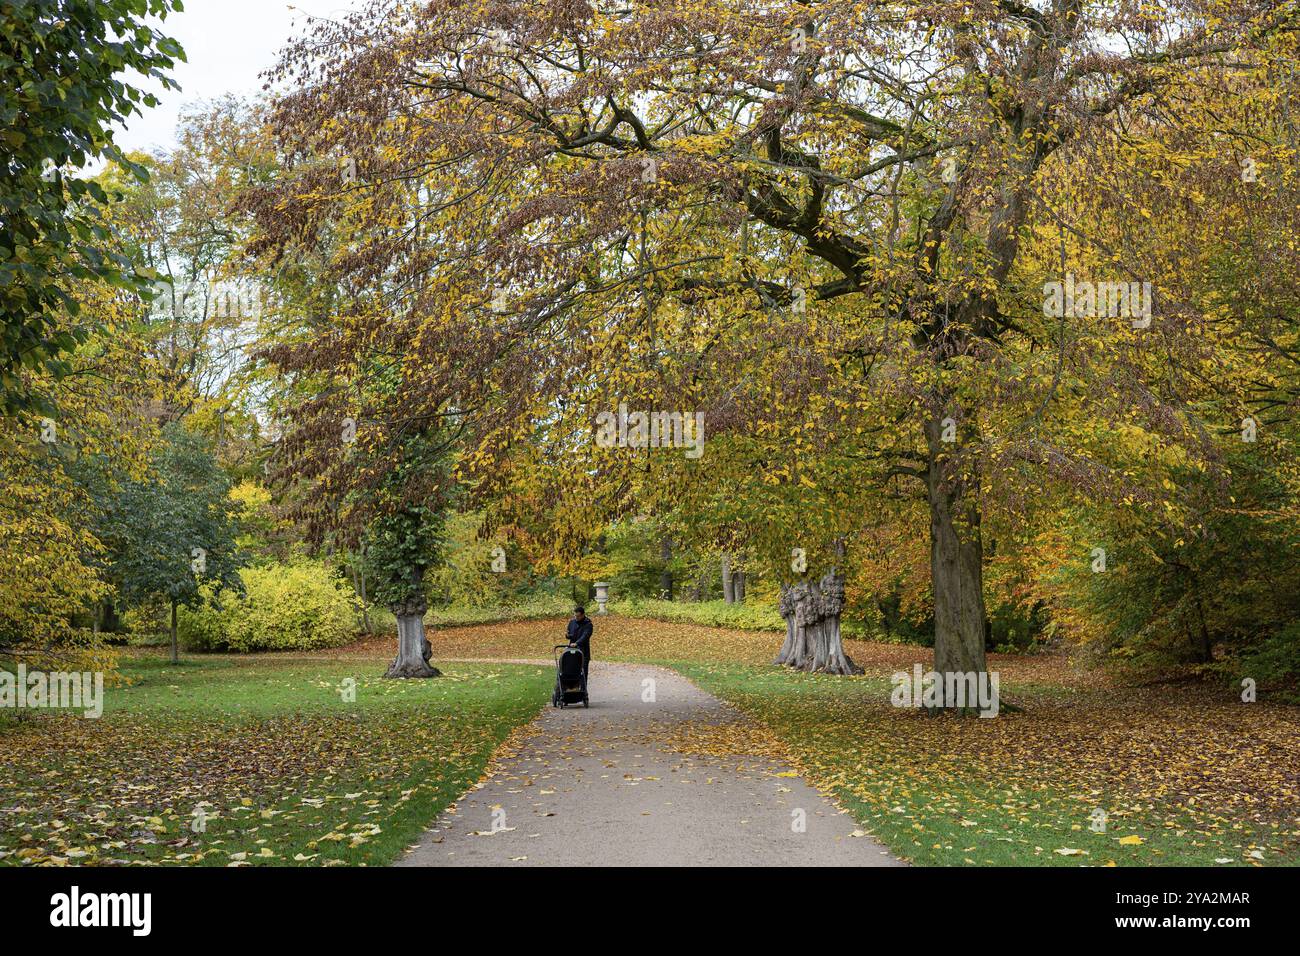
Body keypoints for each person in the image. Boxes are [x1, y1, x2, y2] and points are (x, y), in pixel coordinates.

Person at [566, 605, 593, 682]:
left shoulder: (588, 624)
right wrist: (568, 635)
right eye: (575, 616)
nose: (576, 618)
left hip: (583, 651)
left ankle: (583, 690)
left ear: (583, 615)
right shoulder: (572, 622)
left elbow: (585, 636)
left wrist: (577, 643)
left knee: (583, 671)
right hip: (572, 650)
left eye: (578, 616)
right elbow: (570, 634)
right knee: (570, 670)